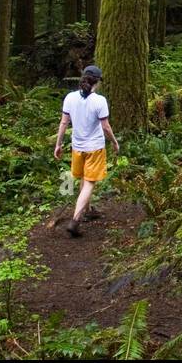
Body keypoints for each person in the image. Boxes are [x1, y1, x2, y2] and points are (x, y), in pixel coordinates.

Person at [54, 64, 119, 237]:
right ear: (97, 82)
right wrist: (114, 142)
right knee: (90, 182)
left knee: (84, 177)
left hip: (77, 147)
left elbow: (63, 123)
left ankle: (88, 209)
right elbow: (105, 126)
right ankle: (75, 220)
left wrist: (58, 144)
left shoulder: (70, 98)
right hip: (95, 148)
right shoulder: (99, 101)